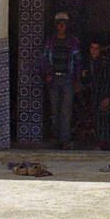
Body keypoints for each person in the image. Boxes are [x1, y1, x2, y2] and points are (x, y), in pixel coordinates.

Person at [40, 12, 81, 149]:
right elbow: (44, 59)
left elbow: (78, 61)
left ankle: (65, 140)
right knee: (54, 110)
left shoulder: (73, 42)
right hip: (54, 79)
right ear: (56, 26)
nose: (61, 26)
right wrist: (47, 73)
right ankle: (57, 139)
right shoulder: (50, 42)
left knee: (66, 111)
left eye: (64, 23)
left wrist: (77, 79)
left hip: (68, 79)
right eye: (59, 23)